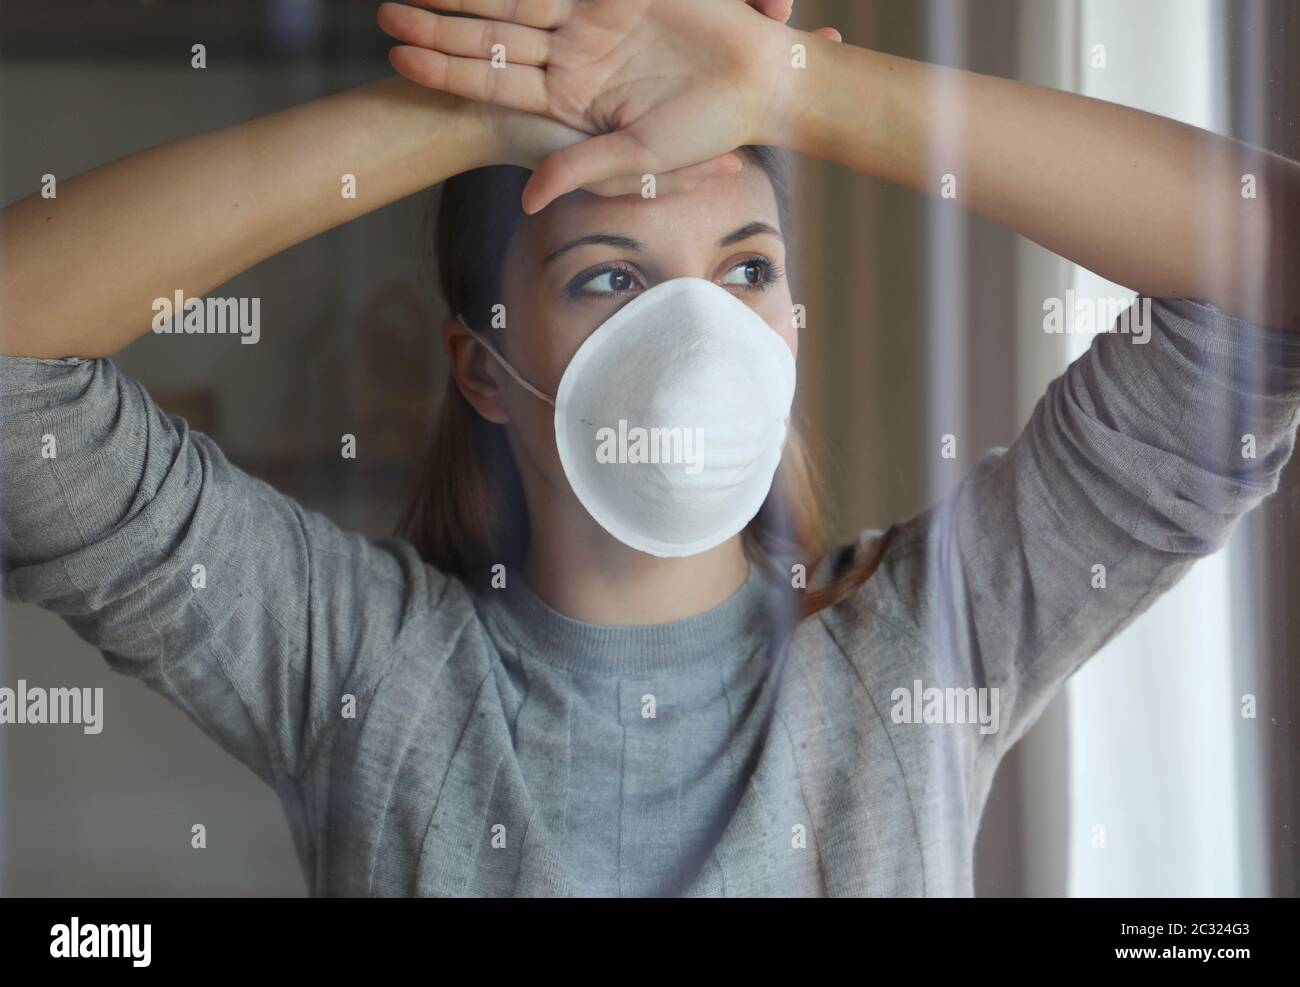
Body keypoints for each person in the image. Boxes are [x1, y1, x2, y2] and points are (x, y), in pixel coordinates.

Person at [2, 0, 1298, 897]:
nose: (698, 332)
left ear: (791, 324)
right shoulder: (359, 669)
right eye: (611, 277)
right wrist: (481, 112)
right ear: (485, 372)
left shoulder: (922, 653)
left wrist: (803, 87)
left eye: (746, 267)